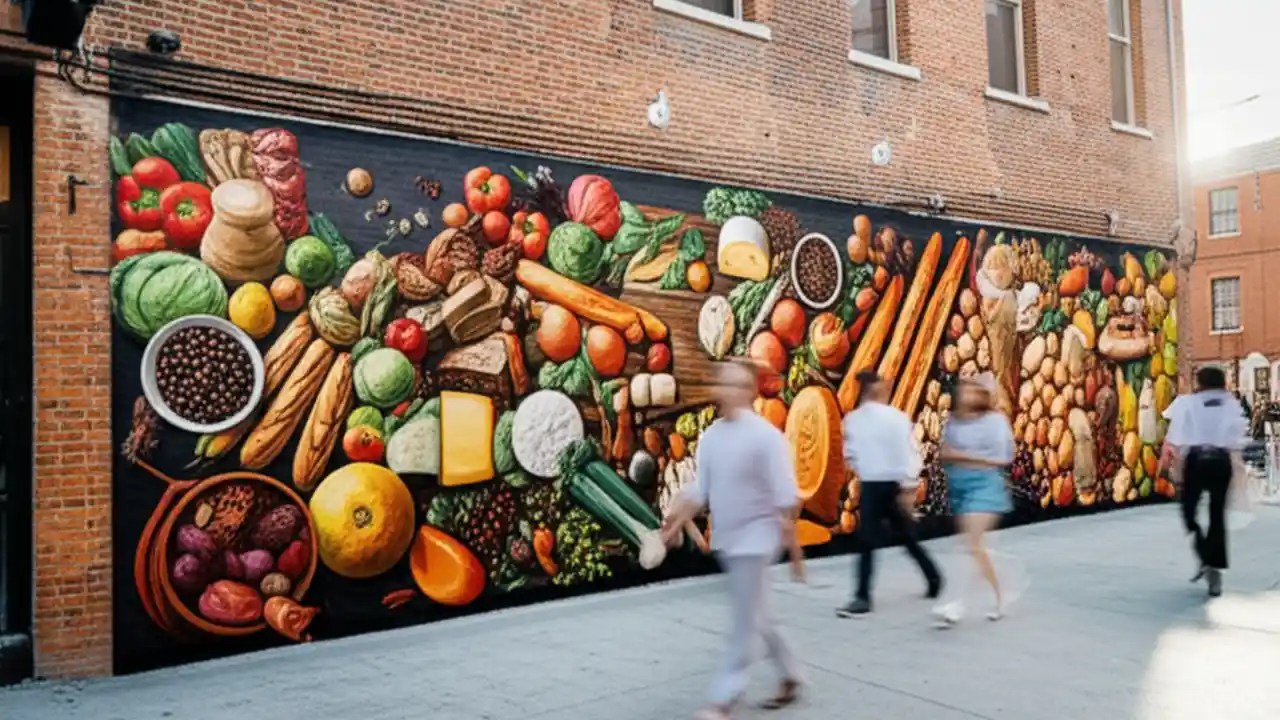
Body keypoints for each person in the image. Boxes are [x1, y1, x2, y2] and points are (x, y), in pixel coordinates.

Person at [661, 359, 804, 720]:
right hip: (729, 538)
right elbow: (702, 490)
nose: (731, 391)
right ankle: (791, 676)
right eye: (726, 384)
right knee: (760, 615)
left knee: (744, 621)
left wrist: (794, 546)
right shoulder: (711, 438)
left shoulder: (767, 437)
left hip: (757, 540)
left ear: (752, 391)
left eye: (739, 385)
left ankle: (723, 699)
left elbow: (788, 495)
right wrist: (676, 520)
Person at [836, 371, 941, 617]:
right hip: (891, 485)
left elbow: (850, 456)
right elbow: (909, 453)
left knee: (868, 541)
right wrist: (907, 487)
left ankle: (862, 597)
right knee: (904, 537)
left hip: (872, 485)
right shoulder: (896, 418)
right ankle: (934, 578)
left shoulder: (853, 421)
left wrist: (865, 466)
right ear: (878, 389)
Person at [933, 373, 1015, 626]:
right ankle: (998, 595)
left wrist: (964, 457)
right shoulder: (955, 422)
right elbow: (945, 452)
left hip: (986, 489)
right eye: (964, 390)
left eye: (972, 390)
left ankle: (958, 604)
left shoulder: (995, 421)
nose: (966, 394)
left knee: (973, 546)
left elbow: (1004, 457)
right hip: (962, 490)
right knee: (974, 548)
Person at [1163, 366, 1247, 597]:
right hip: (1220, 461)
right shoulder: (1231, 403)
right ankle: (1215, 569)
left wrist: (1176, 468)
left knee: (1189, 513)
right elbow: (1237, 437)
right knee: (1217, 515)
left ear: (1199, 382)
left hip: (1197, 460)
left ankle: (1205, 557)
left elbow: (1176, 437)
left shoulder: (1187, 403)